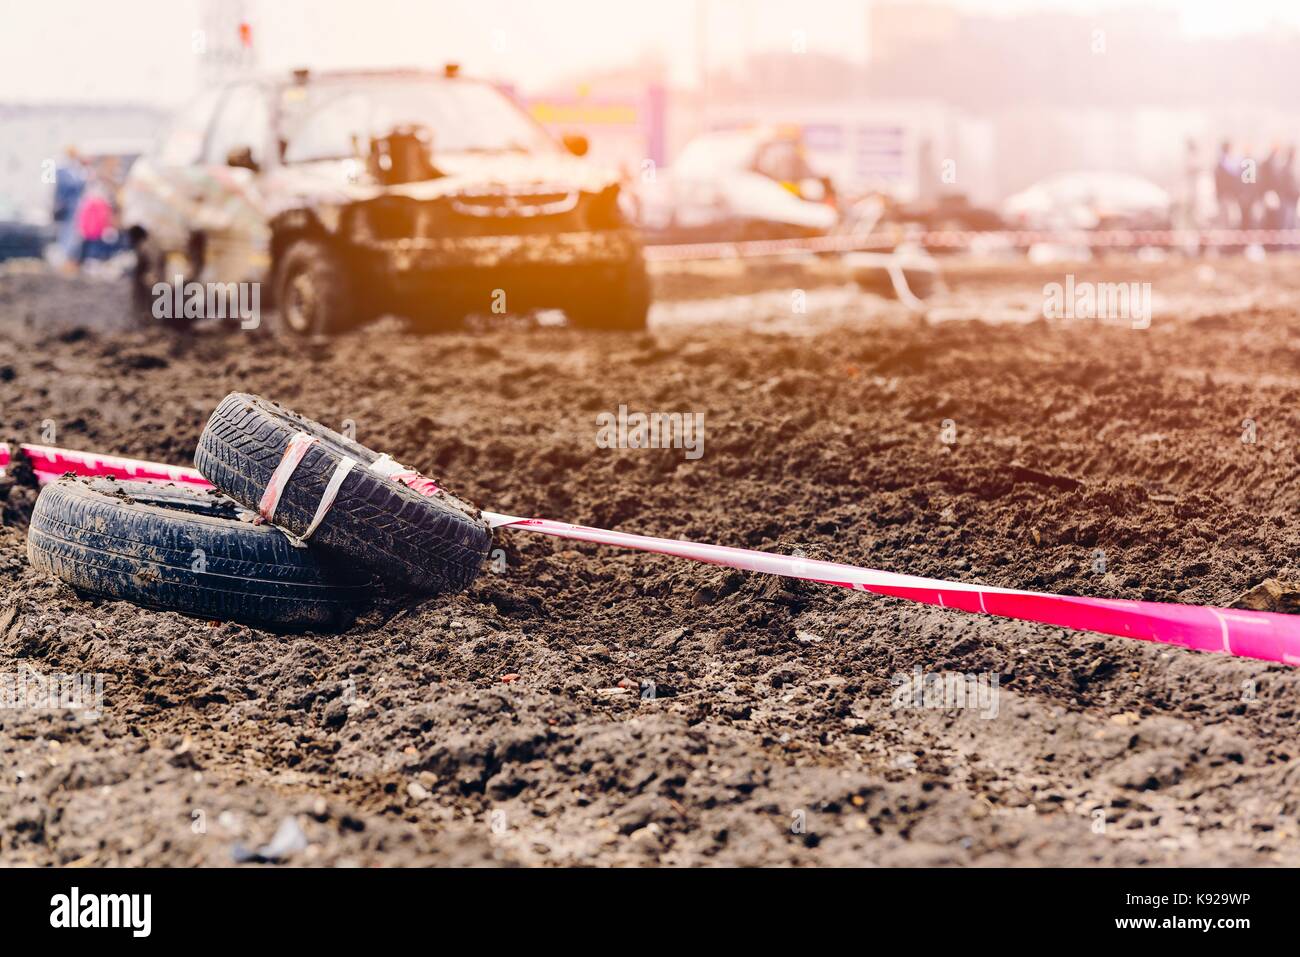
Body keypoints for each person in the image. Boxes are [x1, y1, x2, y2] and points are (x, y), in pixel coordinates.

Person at [53, 146, 85, 268]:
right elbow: (66, 188)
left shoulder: (77, 169)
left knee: (74, 234)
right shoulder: (63, 170)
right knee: (66, 234)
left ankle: (70, 260)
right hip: (66, 210)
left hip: (76, 209)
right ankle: (64, 260)